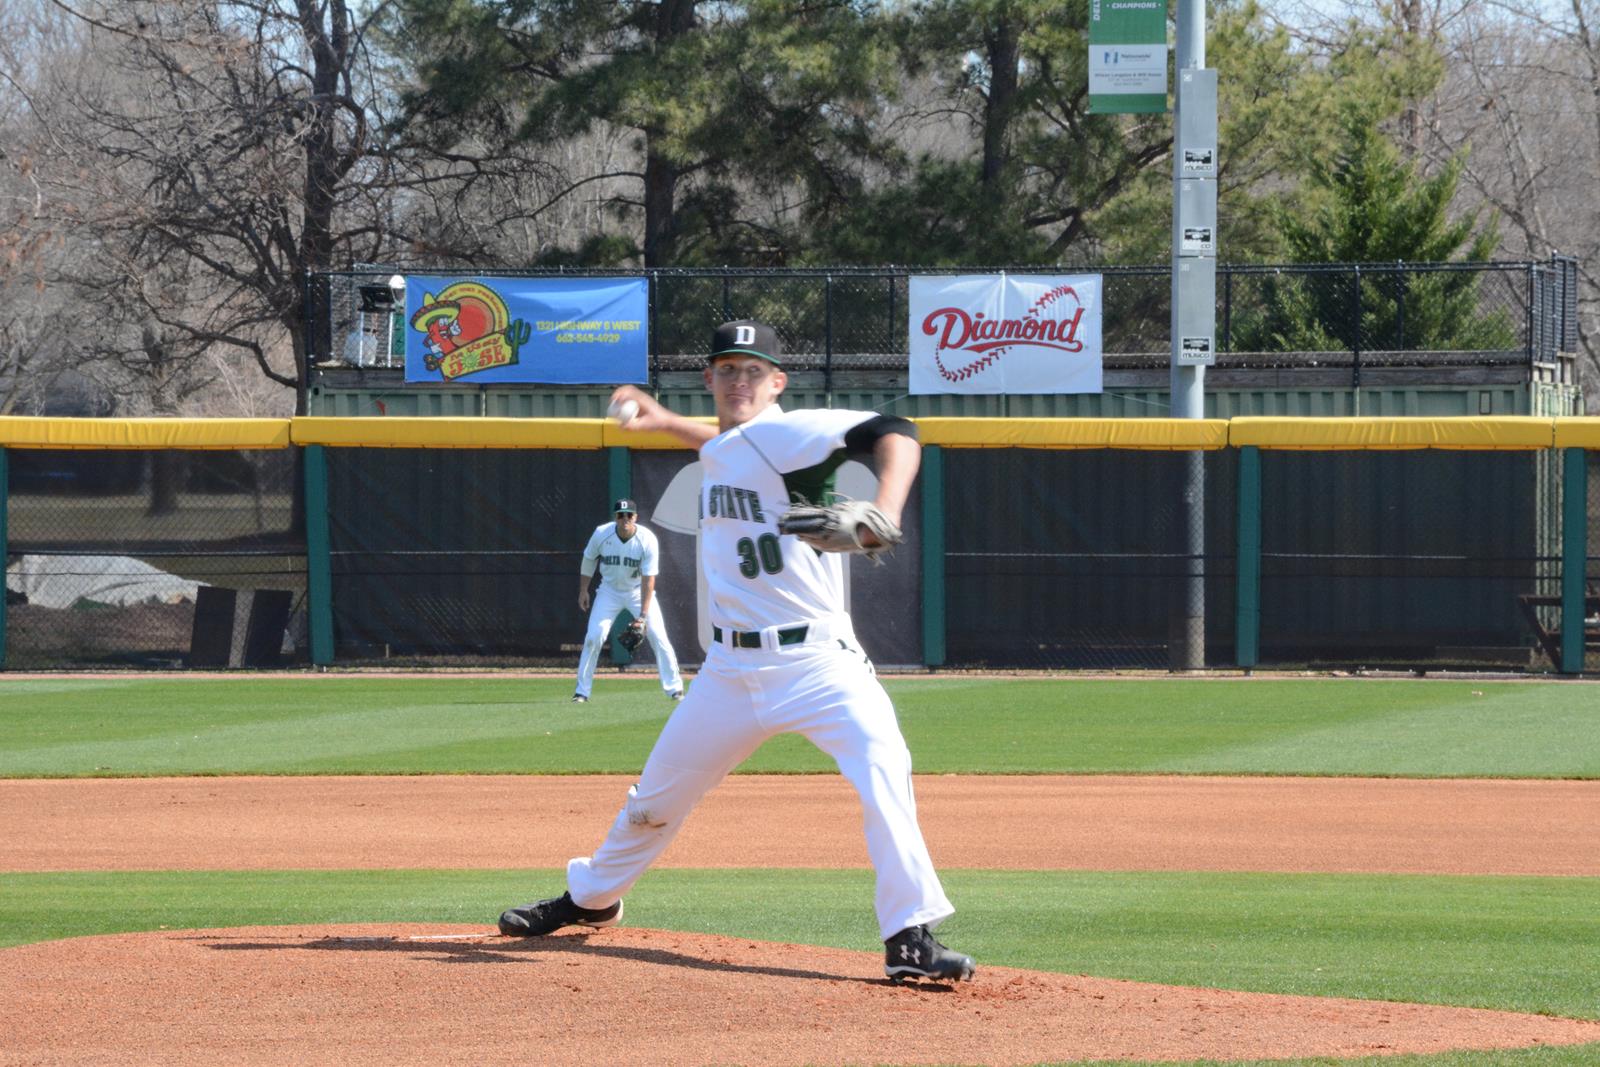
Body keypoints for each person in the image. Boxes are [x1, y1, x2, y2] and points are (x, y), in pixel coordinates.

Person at [499, 319, 974, 983]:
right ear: (709, 378)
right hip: (729, 671)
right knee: (654, 800)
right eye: (728, 369)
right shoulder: (730, 445)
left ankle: (909, 933)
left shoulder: (793, 432)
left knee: (882, 768)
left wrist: (885, 513)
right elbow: (726, 444)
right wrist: (667, 421)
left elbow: (897, 430)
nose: (740, 381)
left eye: (754, 371)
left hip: (817, 663)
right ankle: (592, 899)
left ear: (778, 383)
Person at [573, 499, 683, 704]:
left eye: (629, 515)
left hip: (637, 591)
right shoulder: (601, 533)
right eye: (620, 515)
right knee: (594, 636)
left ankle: (675, 689)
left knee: (658, 636)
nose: (625, 519)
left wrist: (643, 615)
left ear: (635, 517)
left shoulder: (647, 539)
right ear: (615, 517)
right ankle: (581, 692)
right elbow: (588, 559)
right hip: (609, 591)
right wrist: (583, 590)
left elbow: (649, 579)